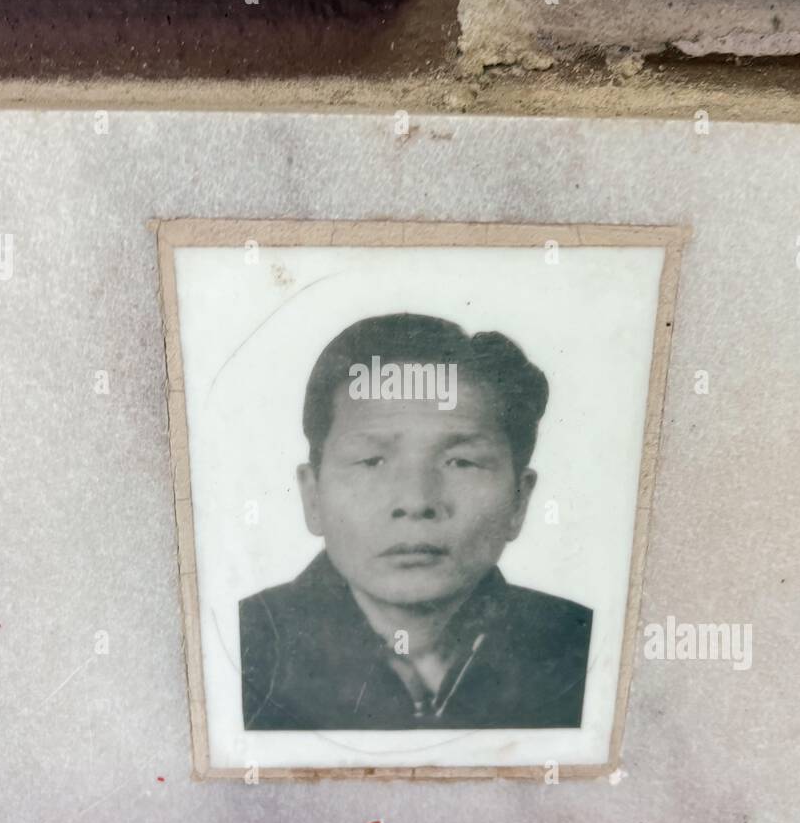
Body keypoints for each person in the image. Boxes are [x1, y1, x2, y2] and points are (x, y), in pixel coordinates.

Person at [240, 313, 592, 730]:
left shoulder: (583, 646)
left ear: (519, 499)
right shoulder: (244, 646)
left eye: (461, 461)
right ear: (312, 495)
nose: (415, 501)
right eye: (372, 461)